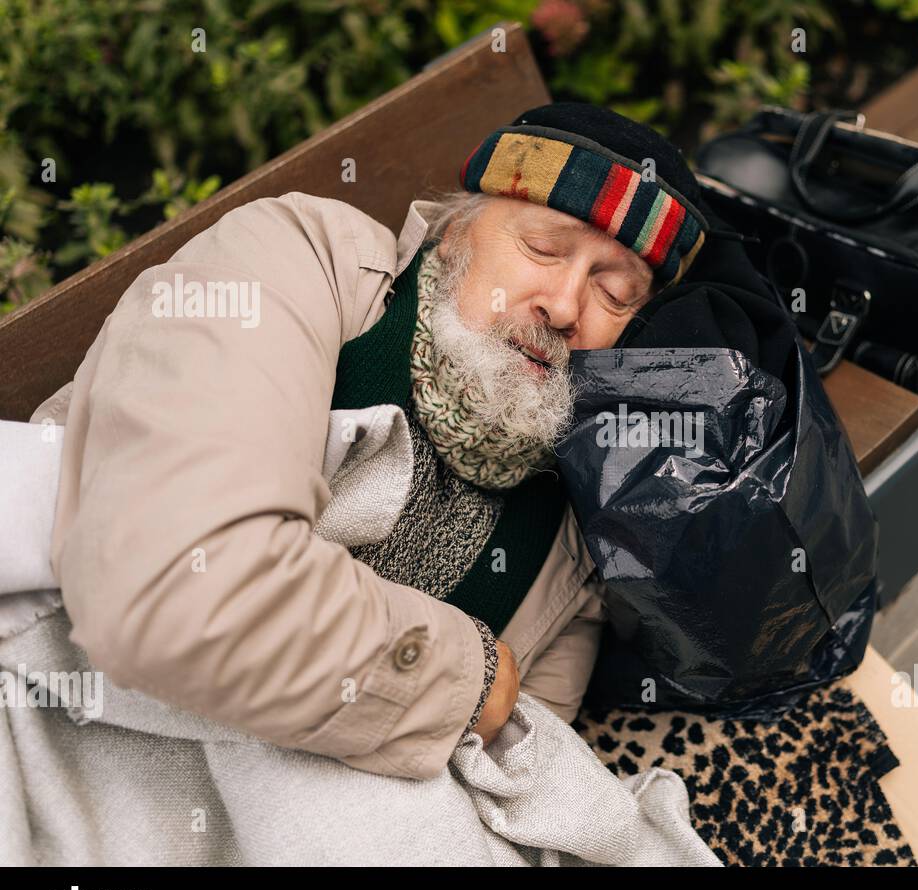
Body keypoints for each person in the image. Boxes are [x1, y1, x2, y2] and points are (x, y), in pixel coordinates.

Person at [39, 102, 708, 780]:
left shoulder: (569, 542)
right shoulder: (293, 258)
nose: (565, 307)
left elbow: (514, 782)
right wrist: (466, 678)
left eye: (614, 292)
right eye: (542, 248)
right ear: (457, 234)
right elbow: (178, 584)